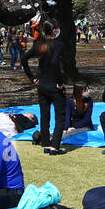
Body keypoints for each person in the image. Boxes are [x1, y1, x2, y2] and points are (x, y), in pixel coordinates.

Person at [22, 20, 67, 156]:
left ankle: (46, 143)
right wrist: (60, 81)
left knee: (44, 114)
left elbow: (24, 59)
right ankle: (54, 147)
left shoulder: (38, 44)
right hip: (54, 85)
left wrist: (32, 77)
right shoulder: (59, 45)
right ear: (53, 31)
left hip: (42, 85)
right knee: (60, 117)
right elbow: (56, 64)